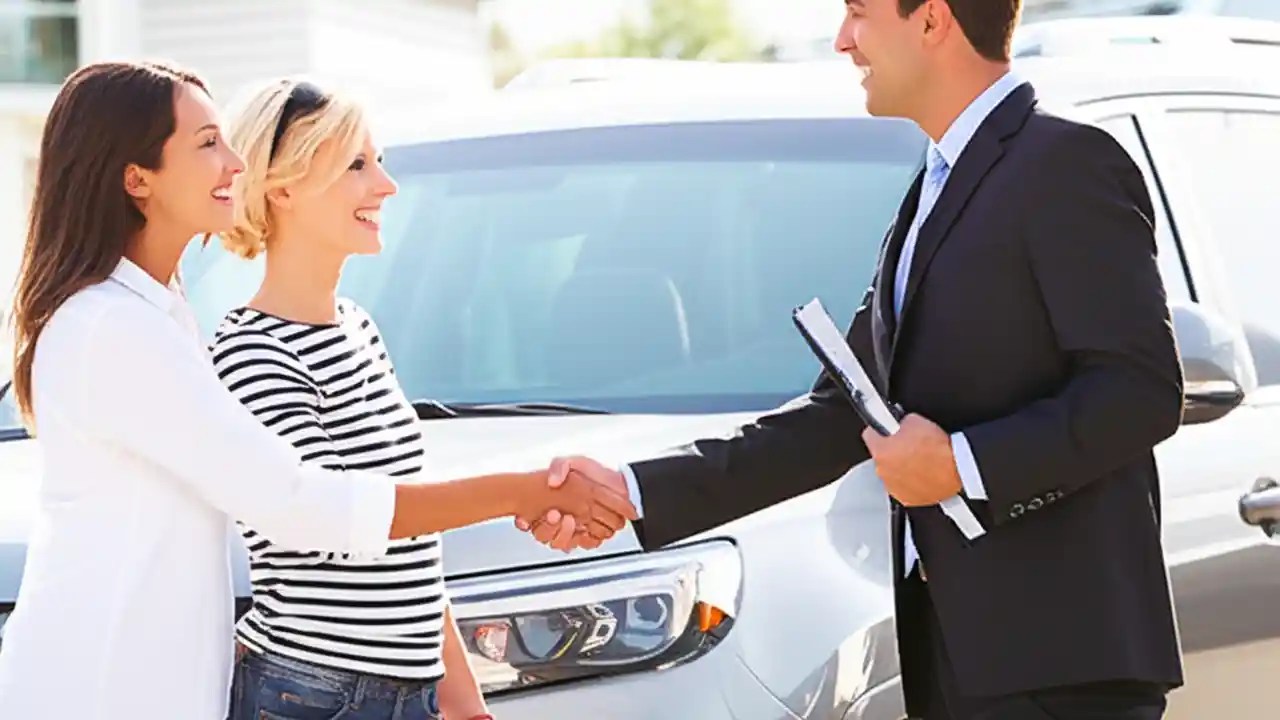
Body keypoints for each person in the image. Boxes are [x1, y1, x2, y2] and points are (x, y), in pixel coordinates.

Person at [522, 1, 1185, 718]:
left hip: (1061, 667)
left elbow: (1140, 388)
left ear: (932, 20)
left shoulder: (1065, 163)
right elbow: (842, 415)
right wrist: (631, 489)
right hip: (959, 660)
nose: (842, 40)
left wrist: (962, 465)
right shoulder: (934, 186)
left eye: (859, 14)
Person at [0, 60, 634, 720]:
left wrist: (460, 698)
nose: (235, 164)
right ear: (137, 179)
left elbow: (390, 542)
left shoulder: (161, 315)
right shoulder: (116, 329)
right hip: (102, 691)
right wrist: (523, 490)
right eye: (207, 143)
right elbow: (297, 503)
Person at [211, 77, 488, 720]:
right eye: (355, 165)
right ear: (282, 189)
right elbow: (347, 522)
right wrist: (523, 492)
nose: (385, 186)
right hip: (309, 695)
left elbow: (408, 547)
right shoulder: (250, 351)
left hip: (407, 692)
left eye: (379, 161)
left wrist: (465, 701)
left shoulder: (360, 329)